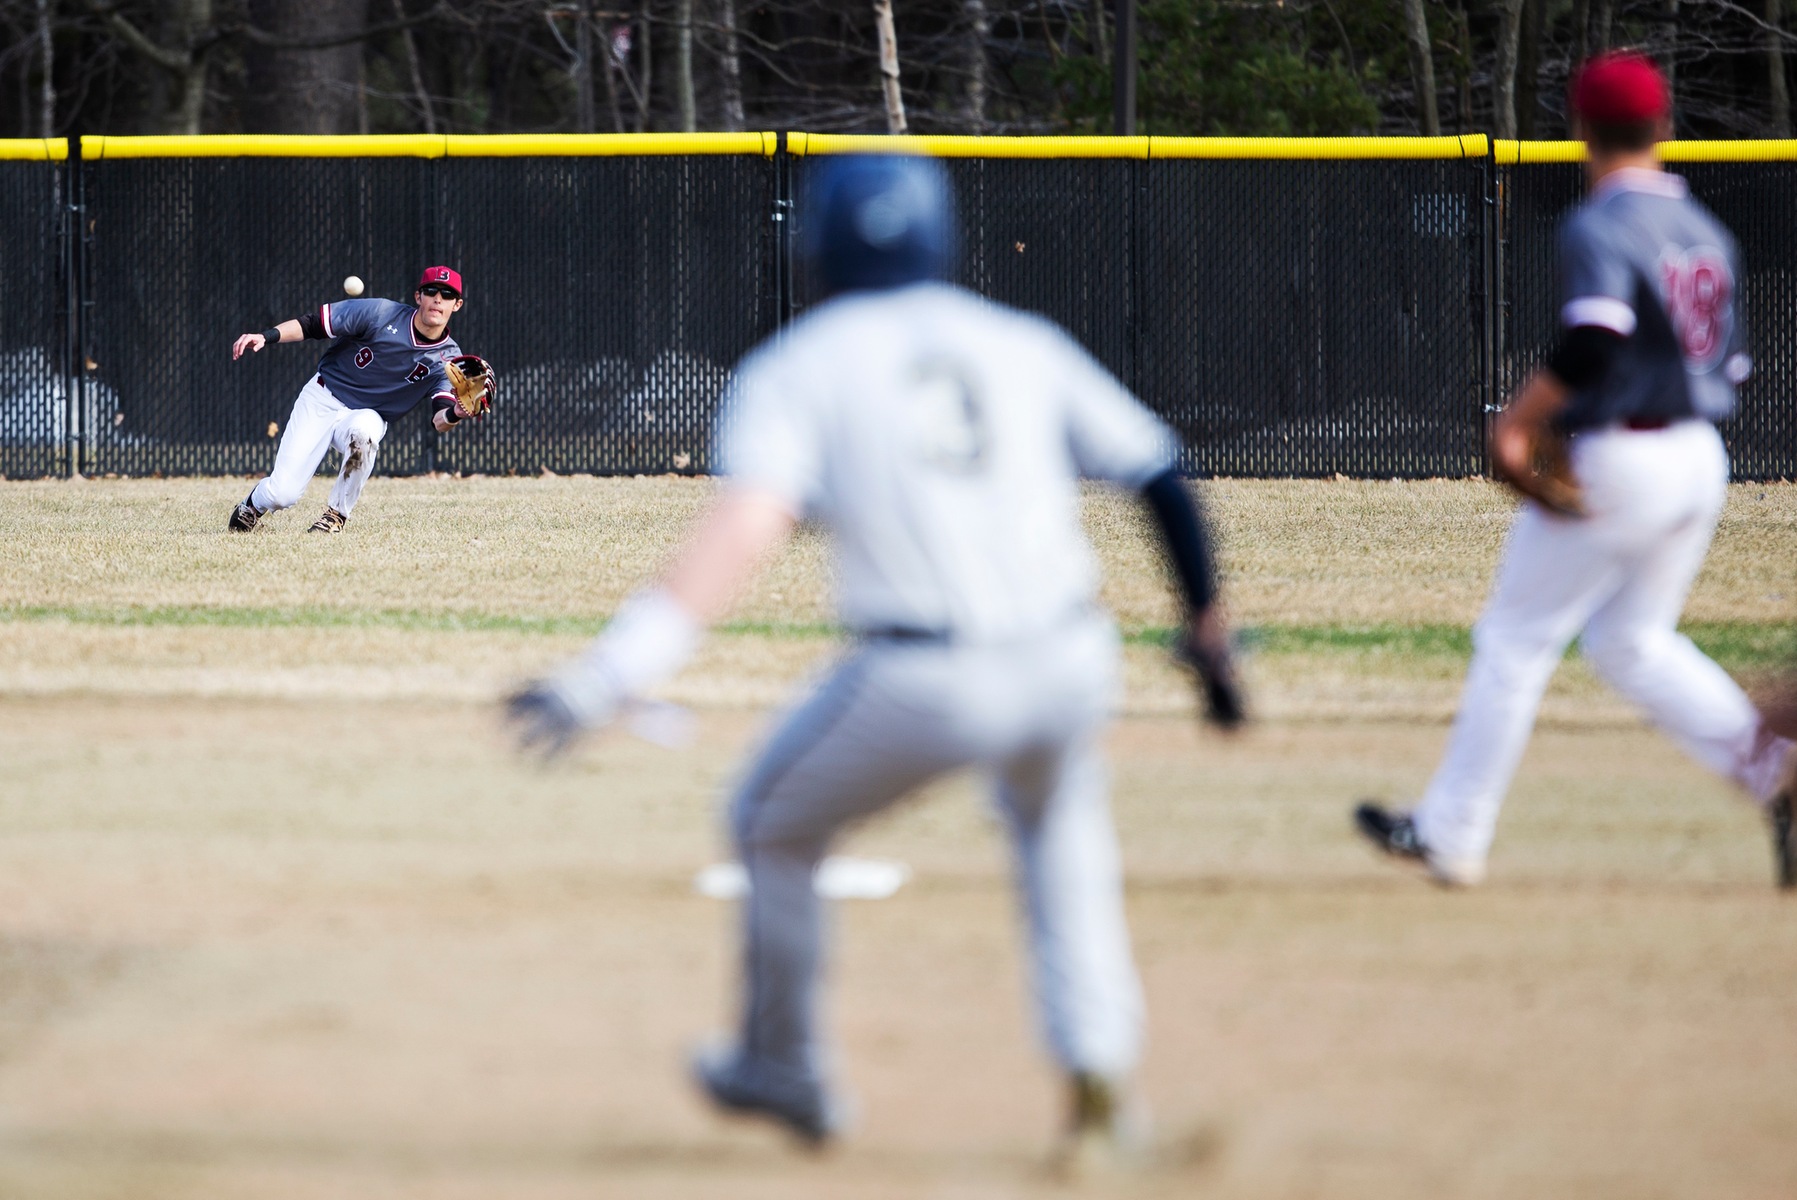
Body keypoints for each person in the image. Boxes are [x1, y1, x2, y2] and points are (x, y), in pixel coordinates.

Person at [506, 154, 1242, 1168]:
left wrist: (607, 676)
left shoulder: (800, 365)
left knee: (769, 822)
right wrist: (1206, 632)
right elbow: (1159, 472)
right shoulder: (1018, 341)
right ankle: (1100, 1097)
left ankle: (784, 1068)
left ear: (815, 244)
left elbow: (745, 531)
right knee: (1061, 842)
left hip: (923, 675)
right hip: (1070, 657)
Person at [1354, 51, 1797, 889]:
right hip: (1698, 456)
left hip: (1623, 453)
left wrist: (1519, 419)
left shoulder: (1599, 224)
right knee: (1630, 641)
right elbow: (1731, 368)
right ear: (1664, 128)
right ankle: (1773, 770)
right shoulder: (1708, 232)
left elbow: (1593, 339)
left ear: (1580, 130)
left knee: (1516, 638)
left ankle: (1450, 834)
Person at [226, 266, 472, 533]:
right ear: (418, 296)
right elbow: (313, 324)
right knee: (282, 494)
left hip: (368, 413)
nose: (438, 299)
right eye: (431, 291)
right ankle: (252, 506)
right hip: (323, 396)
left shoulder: (449, 359)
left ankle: (335, 515)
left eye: (447, 294)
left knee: (365, 435)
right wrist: (266, 336)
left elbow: (440, 417)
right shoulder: (380, 312)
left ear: (456, 304)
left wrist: (455, 414)